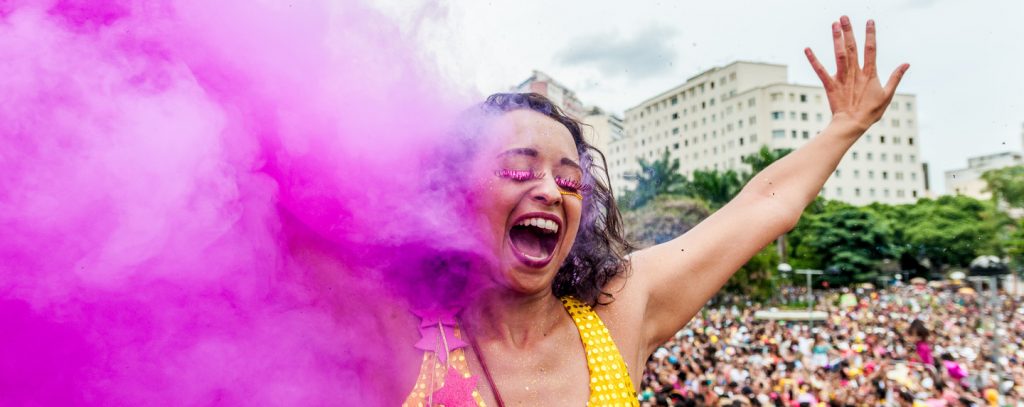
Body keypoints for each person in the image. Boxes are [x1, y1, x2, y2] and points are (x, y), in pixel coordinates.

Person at [393, 16, 909, 406]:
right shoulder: (391, 331)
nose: (551, 191)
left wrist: (845, 126)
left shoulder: (620, 309)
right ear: (455, 196)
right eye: (519, 170)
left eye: (570, 179)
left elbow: (760, 207)